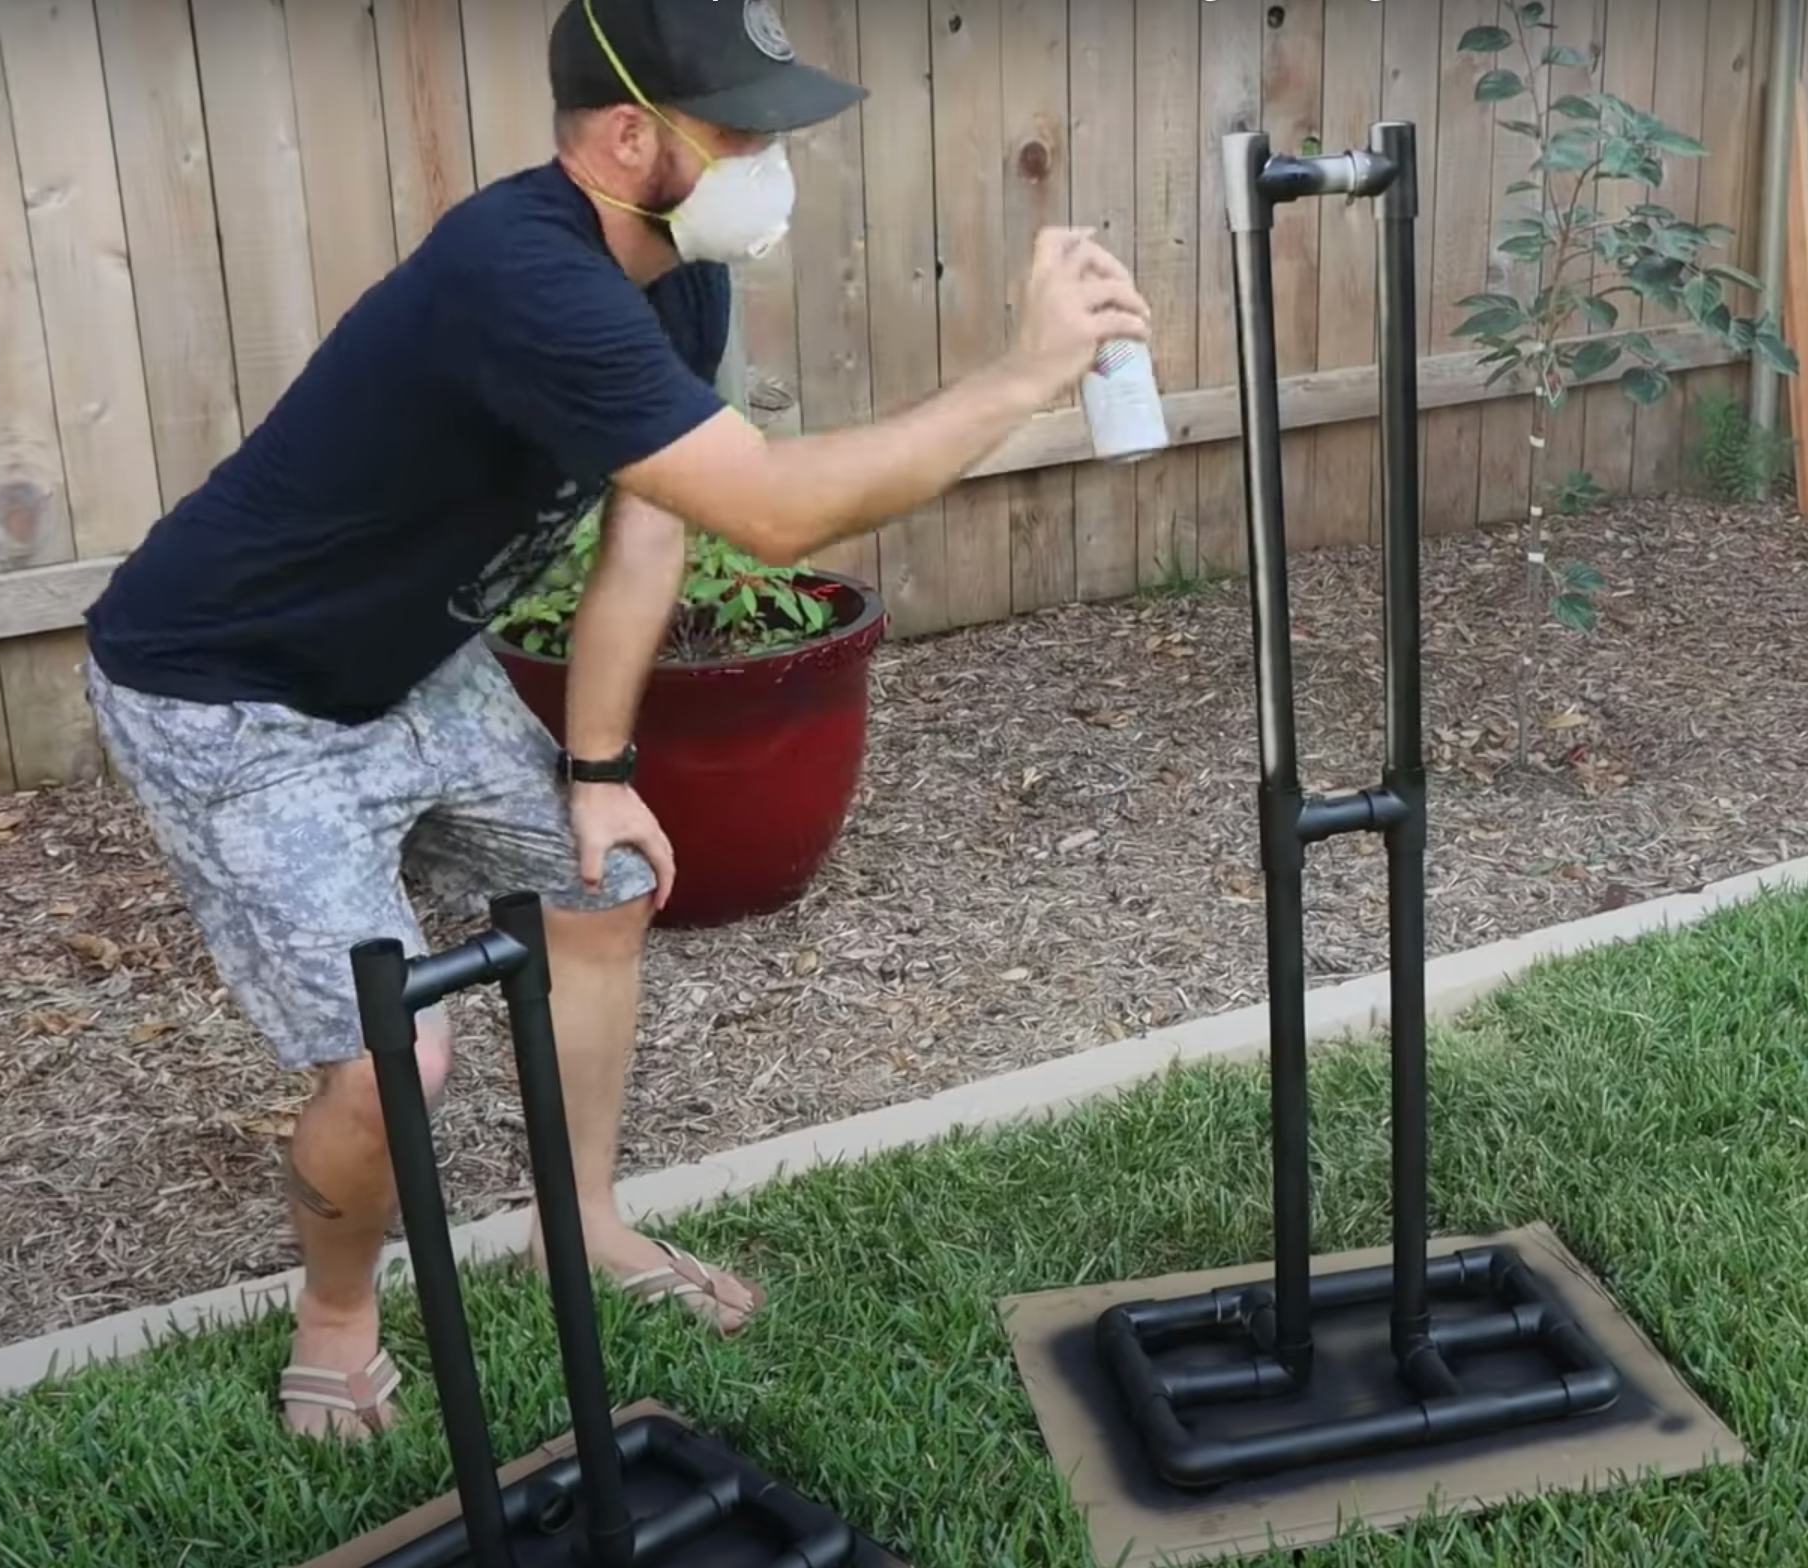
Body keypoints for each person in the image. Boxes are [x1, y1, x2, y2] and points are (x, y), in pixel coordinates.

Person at [78, 0, 1150, 1442]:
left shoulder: (675, 273)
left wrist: (595, 771)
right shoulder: (519, 271)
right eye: (741, 129)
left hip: (408, 660)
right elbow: (777, 512)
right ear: (629, 134)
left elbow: (656, 525)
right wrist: (1023, 377)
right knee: (398, 1052)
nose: (770, 157)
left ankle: (577, 1223)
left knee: (608, 881)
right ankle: (336, 1310)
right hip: (227, 695)